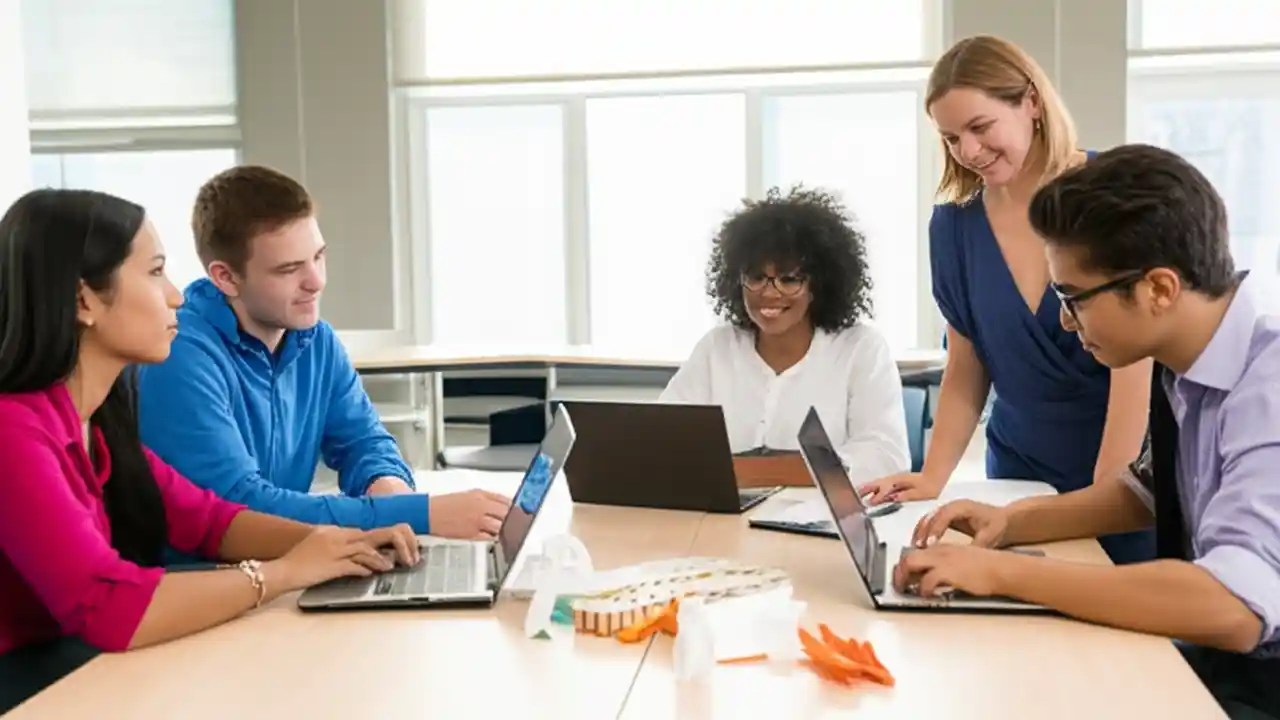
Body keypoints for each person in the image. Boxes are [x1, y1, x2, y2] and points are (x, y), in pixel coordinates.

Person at [894, 144, 1280, 720]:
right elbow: (1147, 492)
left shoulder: (1266, 387)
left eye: (1072, 298)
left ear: (1159, 289)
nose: (1064, 321)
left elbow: (1234, 606)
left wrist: (1002, 572)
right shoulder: (1190, 368)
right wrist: (1012, 522)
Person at [0, 189, 420, 711]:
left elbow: (208, 520)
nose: (176, 296)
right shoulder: (13, 432)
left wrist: (338, 543)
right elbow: (105, 604)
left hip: (66, 665)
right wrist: (285, 573)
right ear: (84, 300)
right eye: (155, 272)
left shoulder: (95, 422)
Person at [857, 35, 1154, 564]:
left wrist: (1106, 495)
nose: (968, 151)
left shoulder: (1114, 194)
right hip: (1019, 473)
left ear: (1031, 103)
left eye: (980, 127)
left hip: (1121, 475)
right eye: (951, 138)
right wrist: (932, 476)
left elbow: (1138, 362)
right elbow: (966, 367)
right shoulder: (954, 227)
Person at [136, 166, 508, 540]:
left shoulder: (316, 340)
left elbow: (363, 442)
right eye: (289, 269)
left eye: (318, 257)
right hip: (204, 569)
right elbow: (240, 509)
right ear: (226, 277)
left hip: (284, 560)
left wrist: (390, 492)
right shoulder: (178, 356)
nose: (316, 282)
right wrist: (418, 515)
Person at [660, 186, 910, 486]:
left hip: (817, 514)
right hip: (726, 512)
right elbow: (663, 436)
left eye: (789, 279)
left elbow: (886, 457)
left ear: (818, 285)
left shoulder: (861, 348)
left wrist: (744, 471)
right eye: (756, 277)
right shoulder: (717, 347)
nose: (769, 293)